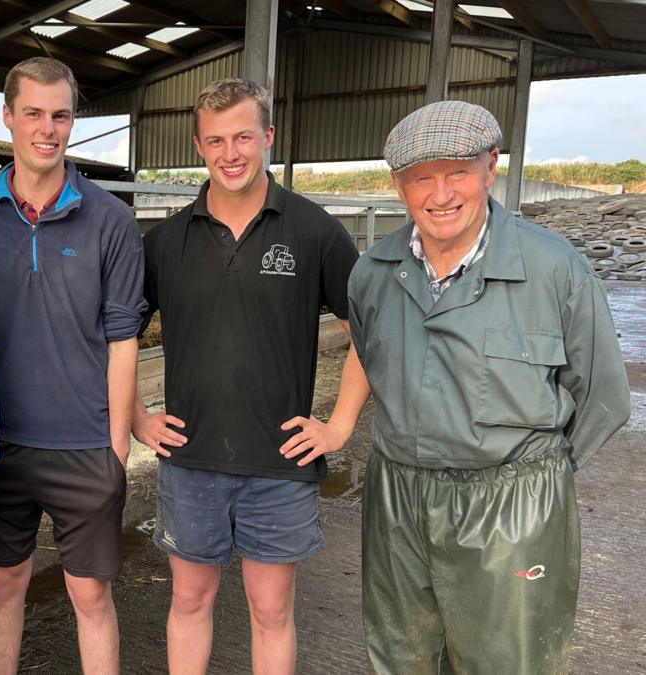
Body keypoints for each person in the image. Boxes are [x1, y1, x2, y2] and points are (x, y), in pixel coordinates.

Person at [348, 100, 631, 674]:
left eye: (457, 172)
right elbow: (371, 356)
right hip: (398, 500)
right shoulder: (372, 272)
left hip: (513, 505)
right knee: (402, 655)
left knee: (508, 662)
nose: (441, 193)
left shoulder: (555, 269)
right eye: (420, 178)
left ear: (490, 168)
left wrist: (535, 478)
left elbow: (603, 396)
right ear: (399, 186)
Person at [131, 78, 368, 675]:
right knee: (189, 600)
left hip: (280, 460)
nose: (230, 153)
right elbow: (116, 336)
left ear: (267, 135)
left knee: (272, 610)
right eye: (216, 140)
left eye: (243, 136)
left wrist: (338, 426)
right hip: (191, 458)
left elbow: (369, 328)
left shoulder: (314, 232)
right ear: (198, 145)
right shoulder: (164, 242)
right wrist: (137, 416)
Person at [0, 57, 146, 675]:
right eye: (32, 113)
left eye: (60, 115)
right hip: (0, 443)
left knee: (90, 594)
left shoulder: (111, 219)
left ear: (72, 121)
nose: (47, 128)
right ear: (7, 118)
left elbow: (123, 339)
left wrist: (116, 449)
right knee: (6, 582)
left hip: (84, 442)